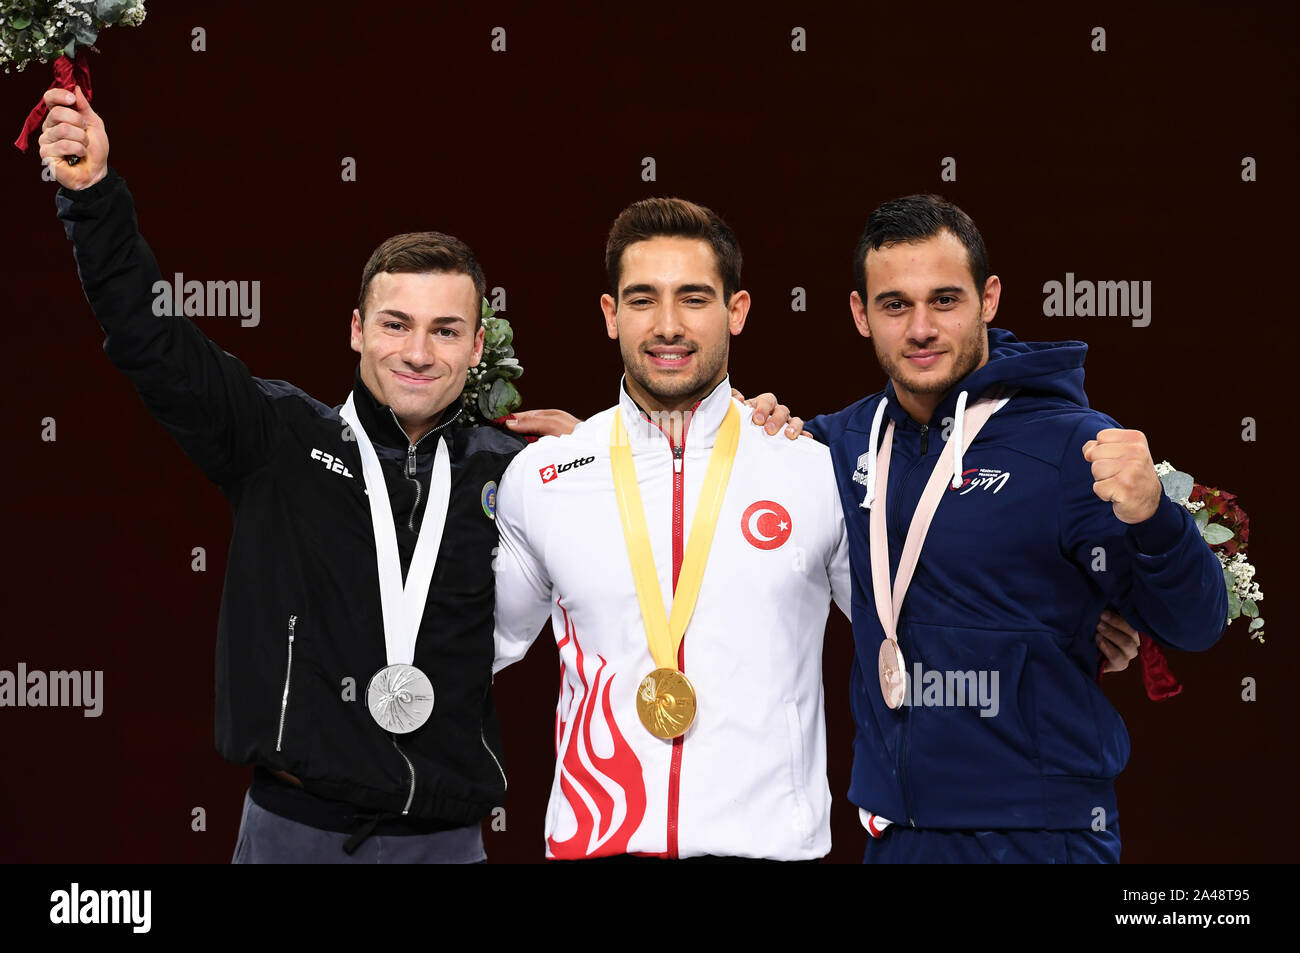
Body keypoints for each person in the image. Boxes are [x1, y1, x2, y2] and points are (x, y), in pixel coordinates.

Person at [36, 86, 796, 863]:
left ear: (477, 346)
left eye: (445, 330)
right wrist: (93, 196)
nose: (418, 351)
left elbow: (668, 506)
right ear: (358, 330)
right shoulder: (275, 438)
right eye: (396, 324)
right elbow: (149, 339)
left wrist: (760, 423)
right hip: (292, 830)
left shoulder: (521, 471)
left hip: (446, 840)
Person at [802, 194, 1227, 862]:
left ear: (989, 298)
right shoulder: (840, 440)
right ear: (861, 314)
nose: (921, 328)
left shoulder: (1070, 446)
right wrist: (578, 443)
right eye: (894, 305)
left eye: (945, 300)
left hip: (1038, 836)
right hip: (897, 833)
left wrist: (1157, 518)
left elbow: (1197, 623)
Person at [492, 197, 852, 861]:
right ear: (610, 315)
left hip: (770, 852)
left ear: (736, 311)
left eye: (693, 298)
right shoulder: (546, 478)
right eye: (641, 299)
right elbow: (468, 645)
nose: (667, 325)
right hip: (598, 846)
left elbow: (916, 630)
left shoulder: (811, 470)